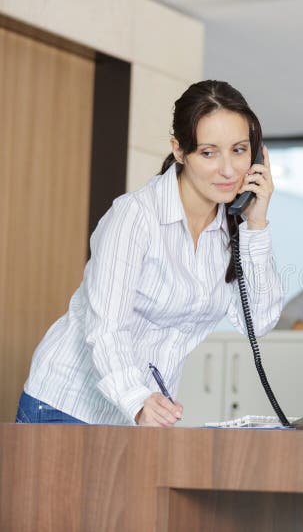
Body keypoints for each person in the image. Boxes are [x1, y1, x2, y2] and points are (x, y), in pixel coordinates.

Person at [17, 80, 283, 427]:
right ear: (179, 150)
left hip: (141, 415)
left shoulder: (230, 228)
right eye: (208, 152)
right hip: (69, 406)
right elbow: (106, 327)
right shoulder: (135, 217)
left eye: (239, 150)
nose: (229, 170)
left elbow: (260, 321)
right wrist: (137, 400)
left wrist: (257, 222)